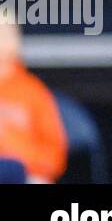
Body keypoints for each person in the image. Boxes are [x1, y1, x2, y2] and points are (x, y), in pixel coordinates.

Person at [0, 13, 66, 184]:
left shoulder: (33, 91)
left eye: (5, 33)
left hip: (25, 175)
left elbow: (54, 158)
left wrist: (13, 146)